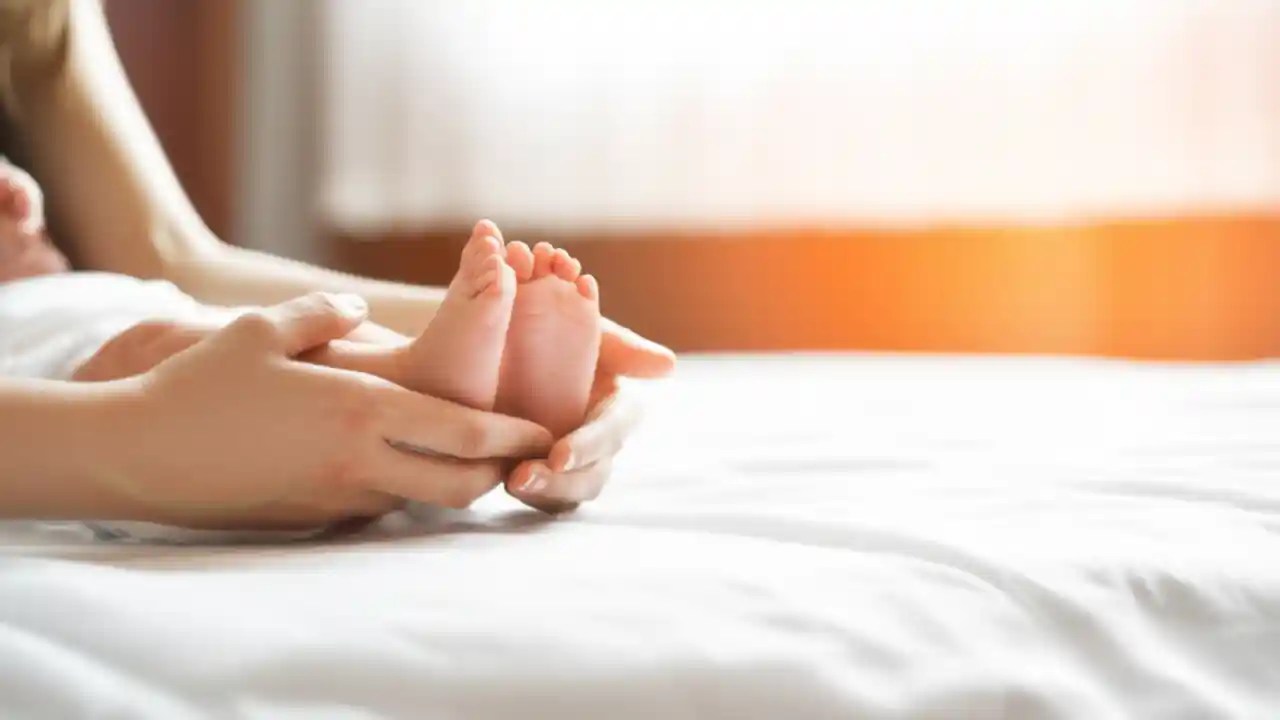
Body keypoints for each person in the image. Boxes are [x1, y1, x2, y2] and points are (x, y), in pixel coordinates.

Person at [0, 0, 674, 530]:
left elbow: (168, 258)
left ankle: (438, 374)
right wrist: (134, 437)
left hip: (132, 304)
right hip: (50, 361)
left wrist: (502, 337)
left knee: (265, 335)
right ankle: (415, 374)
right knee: (152, 352)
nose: (22, 201)